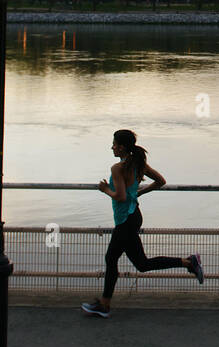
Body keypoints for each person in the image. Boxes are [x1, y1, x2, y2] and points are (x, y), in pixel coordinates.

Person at [81, 129, 203, 316]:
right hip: (133, 216)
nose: (111, 147)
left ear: (122, 147)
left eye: (114, 144)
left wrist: (105, 189)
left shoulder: (118, 168)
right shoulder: (138, 164)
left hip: (125, 219)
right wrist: (138, 193)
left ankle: (104, 305)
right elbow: (160, 181)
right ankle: (188, 262)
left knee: (111, 259)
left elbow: (120, 196)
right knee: (142, 264)